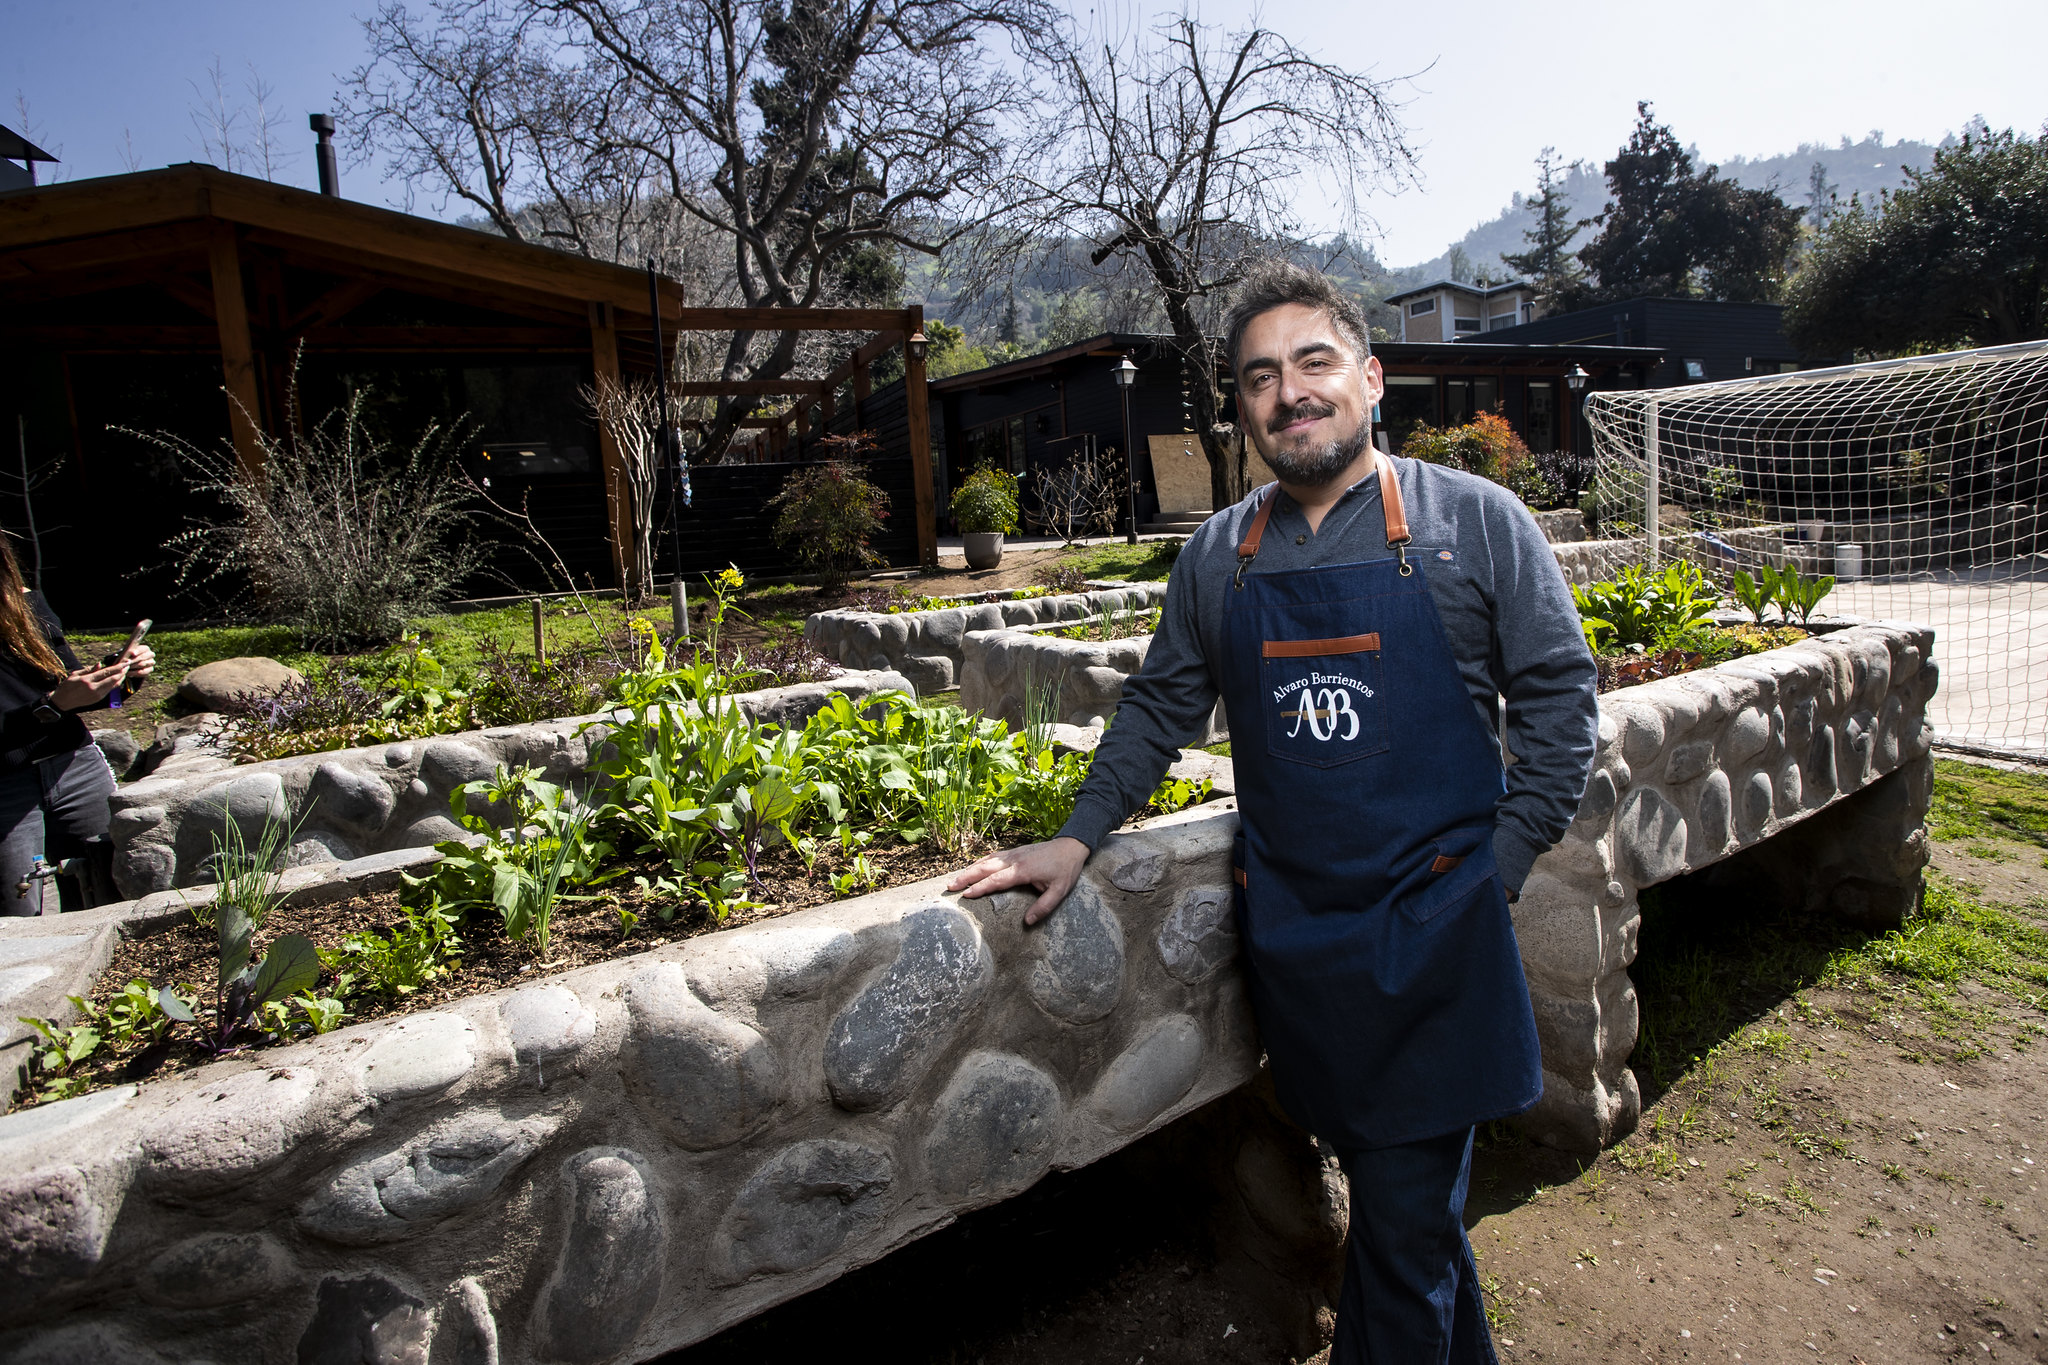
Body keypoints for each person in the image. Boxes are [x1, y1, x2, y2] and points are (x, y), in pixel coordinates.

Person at [949, 260, 1598, 1363]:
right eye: (1258, 377)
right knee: (1412, 1219)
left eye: (1312, 361)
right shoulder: (1219, 557)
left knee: (1400, 1229)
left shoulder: (1473, 526)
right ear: (1241, 407)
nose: (1288, 393)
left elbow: (1558, 696)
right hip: (1301, 945)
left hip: (1439, 936)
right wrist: (1076, 834)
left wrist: (1502, 857)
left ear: (1370, 378)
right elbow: (1160, 707)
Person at [0, 537, 155, 915]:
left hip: (75, 767)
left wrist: (120, 676)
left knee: (112, 893)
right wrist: (52, 706)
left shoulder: (20, 603)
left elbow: (72, 689)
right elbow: (57, 701)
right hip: (6, 788)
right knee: (17, 919)